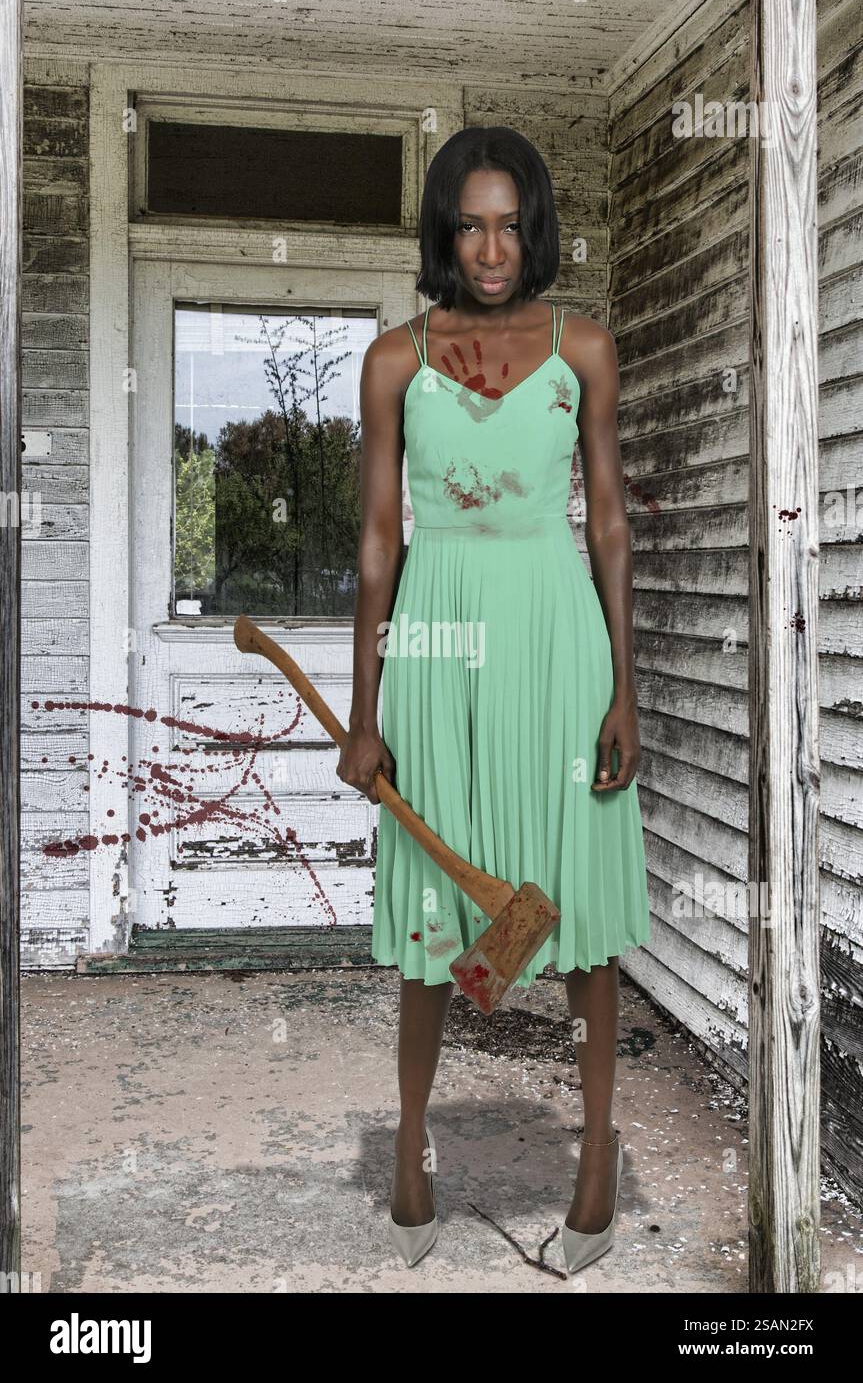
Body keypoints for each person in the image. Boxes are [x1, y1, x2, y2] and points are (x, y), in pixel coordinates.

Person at [336, 125, 651, 1271]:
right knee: (436, 910)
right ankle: (411, 1157)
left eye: (508, 222)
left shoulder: (583, 348)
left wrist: (625, 685)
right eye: (468, 223)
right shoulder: (390, 361)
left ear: (534, 226)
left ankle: (591, 1167)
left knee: (568, 911)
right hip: (433, 641)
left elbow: (609, 521)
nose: (489, 247)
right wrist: (363, 707)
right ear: (441, 230)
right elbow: (378, 543)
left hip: (558, 641)